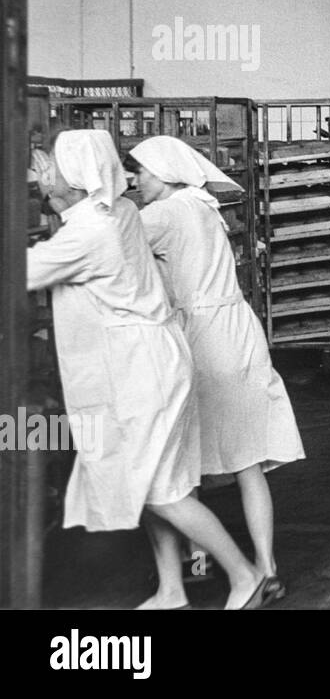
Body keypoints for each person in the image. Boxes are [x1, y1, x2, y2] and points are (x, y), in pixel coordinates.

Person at [26, 130, 274, 610]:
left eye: (49, 170)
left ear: (75, 177)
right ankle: (172, 590)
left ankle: (245, 575)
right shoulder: (116, 212)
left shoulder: (92, 231)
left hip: (144, 368)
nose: (43, 179)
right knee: (161, 482)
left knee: (156, 487)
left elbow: (23, 269)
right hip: (156, 355)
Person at [128, 135, 305, 608]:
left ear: (164, 173)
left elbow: (111, 245)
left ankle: (200, 564)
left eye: (141, 172)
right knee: (248, 461)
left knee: (179, 464)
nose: (136, 181)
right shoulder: (201, 205)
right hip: (238, 328)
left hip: (204, 338)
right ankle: (264, 568)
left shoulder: (164, 213)